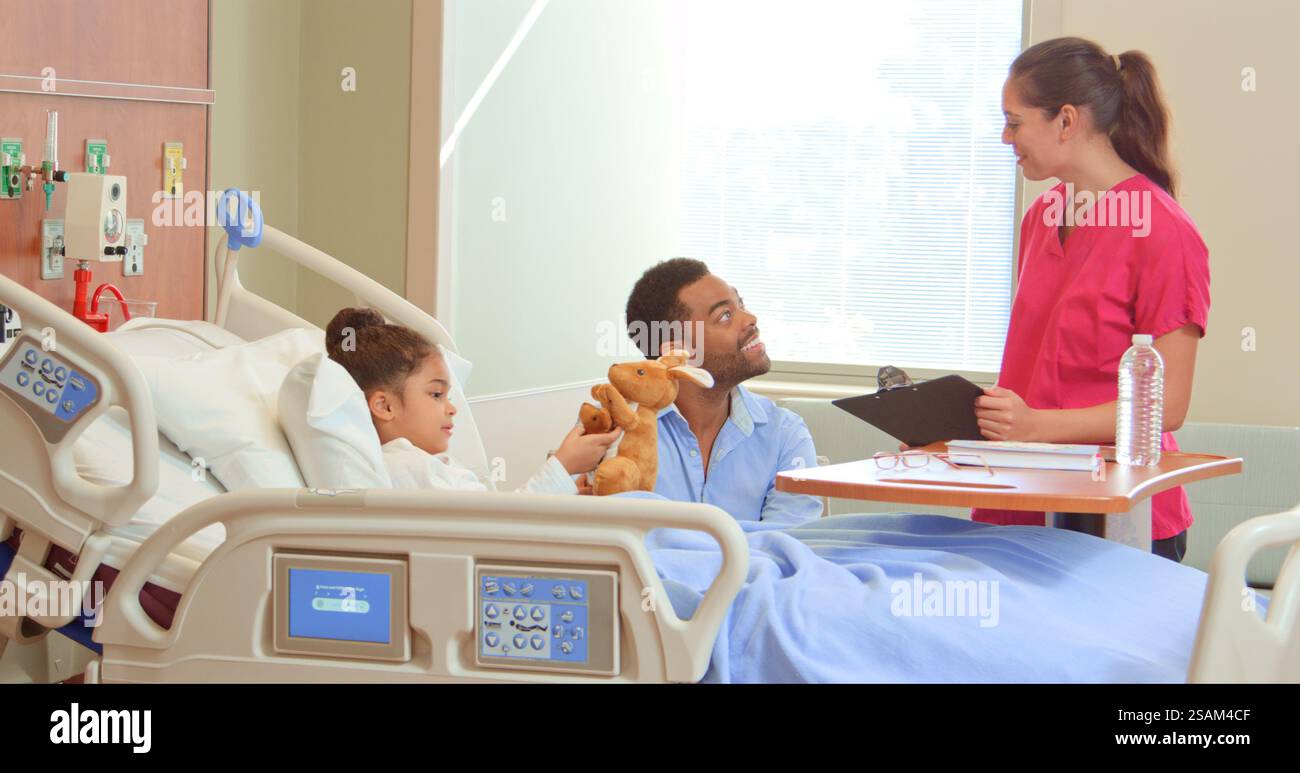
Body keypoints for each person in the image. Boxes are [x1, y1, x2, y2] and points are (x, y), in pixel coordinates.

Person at [972, 37, 1211, 562]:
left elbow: (1168, 406)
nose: (1006, 137)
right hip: (1022, 502)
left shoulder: (1163, 231)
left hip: (1119, 514)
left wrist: (1036, 426)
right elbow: (1038, 371)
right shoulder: (1041, 218)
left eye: (1015, 123)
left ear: (1065, 121)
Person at [325, 307, 620, 493]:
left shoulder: (427, 465)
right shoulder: (407, 468)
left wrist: (565, 490)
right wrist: (562, 466)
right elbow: (495, 530)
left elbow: (496, 520)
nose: (452, 409)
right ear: (385, 406)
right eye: (436, 394)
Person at [623, 258, 823, 525]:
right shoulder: (620, 430)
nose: (750, 319)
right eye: (725, 316)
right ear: (679, 352)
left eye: (741, 304)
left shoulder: (784, 433)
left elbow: (789, 547)